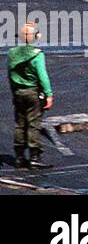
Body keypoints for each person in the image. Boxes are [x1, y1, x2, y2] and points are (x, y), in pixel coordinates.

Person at [8, 22, 53, 169]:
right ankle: (34, 156)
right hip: (32, 93)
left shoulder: (12, 53)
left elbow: (10, 75)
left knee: (20, 124)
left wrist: (14, 91)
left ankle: (19, 157)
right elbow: (43, 76)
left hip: (18, 92)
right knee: (33, 124)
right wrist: (48, 94)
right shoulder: (37, 55)